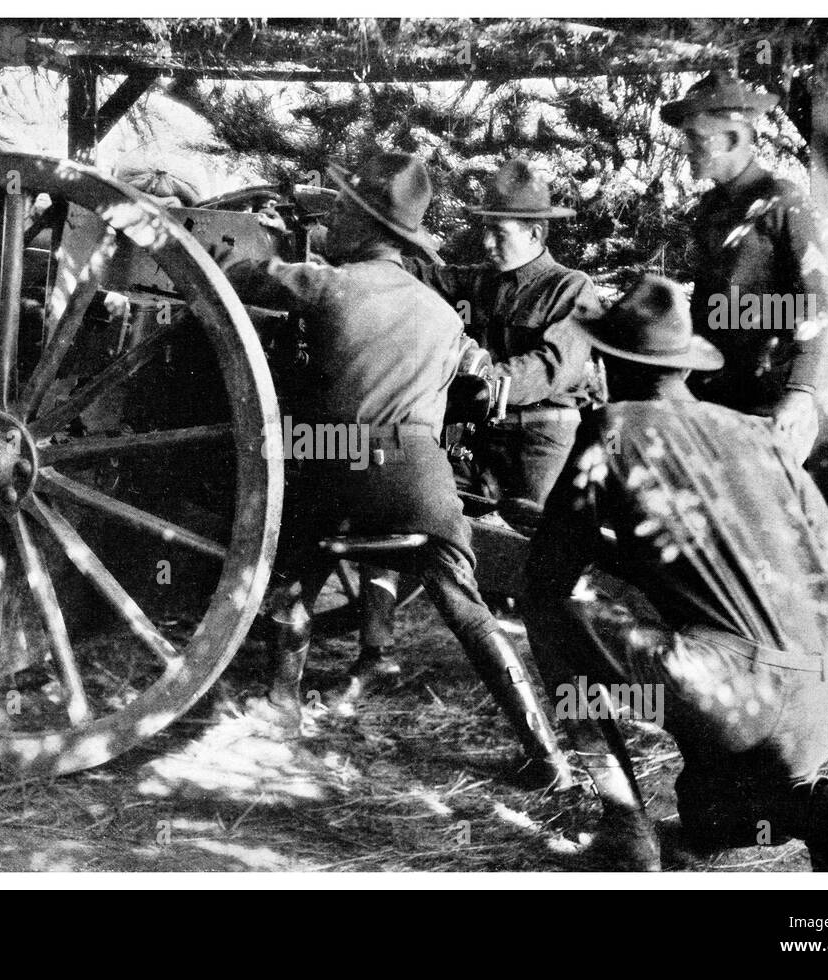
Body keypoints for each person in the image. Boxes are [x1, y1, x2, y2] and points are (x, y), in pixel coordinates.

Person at [210, 152, 572, 789]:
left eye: (340, 216)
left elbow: (245, 272)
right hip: (420, 478)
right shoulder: (442, 314)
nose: (329, 228)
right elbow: (476, 382)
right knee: (465, 607)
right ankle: (546, 754)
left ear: (361, 226)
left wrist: (201, 242)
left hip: (335, 457)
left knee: (291, 568)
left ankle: (282, 704)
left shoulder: (329, 284)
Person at [521, 273, 828, 870]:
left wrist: (565, 529)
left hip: (720, 690)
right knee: (706, 818)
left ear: (608, 364)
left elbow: (552, 568)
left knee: (547, 609)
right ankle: (816, 808)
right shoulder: (764, 437)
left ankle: (625, 824)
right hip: (816, 705)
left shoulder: (612, 427)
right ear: (686, 368)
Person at [403, 157, 604, 526]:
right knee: (436, 516)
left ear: (535, 235)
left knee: (526, 542)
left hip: (541, 436)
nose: (486, 242)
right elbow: (424, 275)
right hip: (482, 434)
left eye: (499, 232)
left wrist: (484, 381)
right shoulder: (484, 279)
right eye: (485, 229)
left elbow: (552, 367)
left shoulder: (570, 288)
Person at [661, 70, 828, 462]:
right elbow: (708, 305)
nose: (685, 148)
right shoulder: (710, 209)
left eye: (695, 137)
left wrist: (799, 393)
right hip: (716, 394)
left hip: (771, 404)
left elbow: (817, 303)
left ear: (732, 139)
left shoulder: (784, 203)